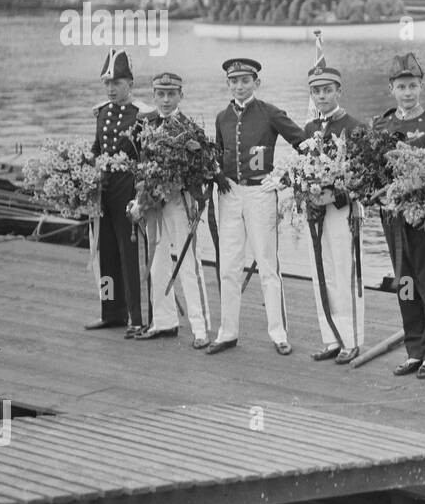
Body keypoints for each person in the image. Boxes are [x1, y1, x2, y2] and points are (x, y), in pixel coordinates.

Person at [207, 57, 307, 356]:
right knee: (228, 266)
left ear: (256, 83)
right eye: (234, 81)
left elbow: (304, 144)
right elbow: (219, 153)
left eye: (245, 81)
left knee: (267, 266)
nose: (239, 86)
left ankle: (278, 333)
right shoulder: (222, 116)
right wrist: (216, 172)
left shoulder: (270, 113)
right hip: (229, 195)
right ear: (228, 84)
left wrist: (283, 177)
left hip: (261, 193)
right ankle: (227, 332)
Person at [372, 53, 425, 379]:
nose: (407, 92)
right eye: (401, 86)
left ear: (421, 86)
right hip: (393, 217)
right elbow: (374, 172)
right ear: (392, 88)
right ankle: (414, 349)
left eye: (413, 86)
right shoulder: (382, 125)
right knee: (404, 282)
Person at [135, 71, 211, 348]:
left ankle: (201, 329)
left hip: (179, 202)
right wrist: (139, 200)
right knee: (157, 265)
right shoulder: (144, 124)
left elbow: (200, 172)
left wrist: (190, 196)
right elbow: (140, 167)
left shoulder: (189, 129)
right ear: (153, 96)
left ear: (181, 95)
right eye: (160, 94)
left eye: (171, 94)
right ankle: (164, 322)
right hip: (154, 205)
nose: (165, 100)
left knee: (187, 264)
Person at [302, 58, 365, 364]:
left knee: (344, 273)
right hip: (316, 210)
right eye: (316, 92)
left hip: (343, 210)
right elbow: (303, 168)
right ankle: (330, 338)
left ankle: (350, 341)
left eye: (327, 90)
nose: (322, 97)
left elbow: (362, 177)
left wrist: (334, 195)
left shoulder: (353, 127)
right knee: (321, 273)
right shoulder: (310, 128)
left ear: (339, 91)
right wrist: (307, 190)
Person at [84, 49, 145, 337]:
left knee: (128, 254)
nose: (110, 89)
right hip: (104, 190)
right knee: (105, 253)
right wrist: (83, 173)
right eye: (107, 83)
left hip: (127, 190)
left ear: (130, 84)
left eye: (117, 83)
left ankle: (135, 316)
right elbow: (97, 149)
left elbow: (145, 156)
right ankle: (111, 312)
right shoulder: (102, 113)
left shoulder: (141, 115)